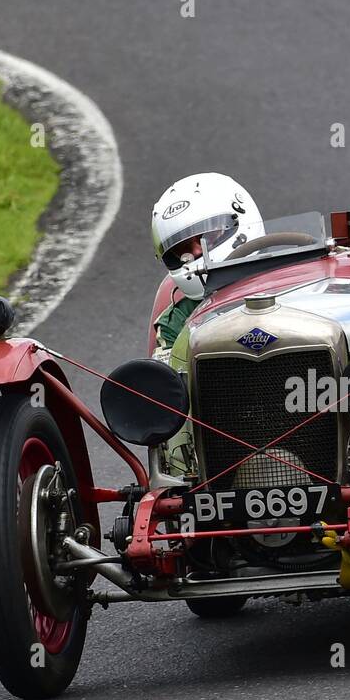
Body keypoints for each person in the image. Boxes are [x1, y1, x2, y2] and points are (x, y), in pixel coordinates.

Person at [149, 173, 263, 474]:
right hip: (215, 432)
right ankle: (182, 477)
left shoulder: (297, 281)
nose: (196, 255)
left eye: (207, 239)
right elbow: (165, 390)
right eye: (182, 251)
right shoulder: (174, 320)